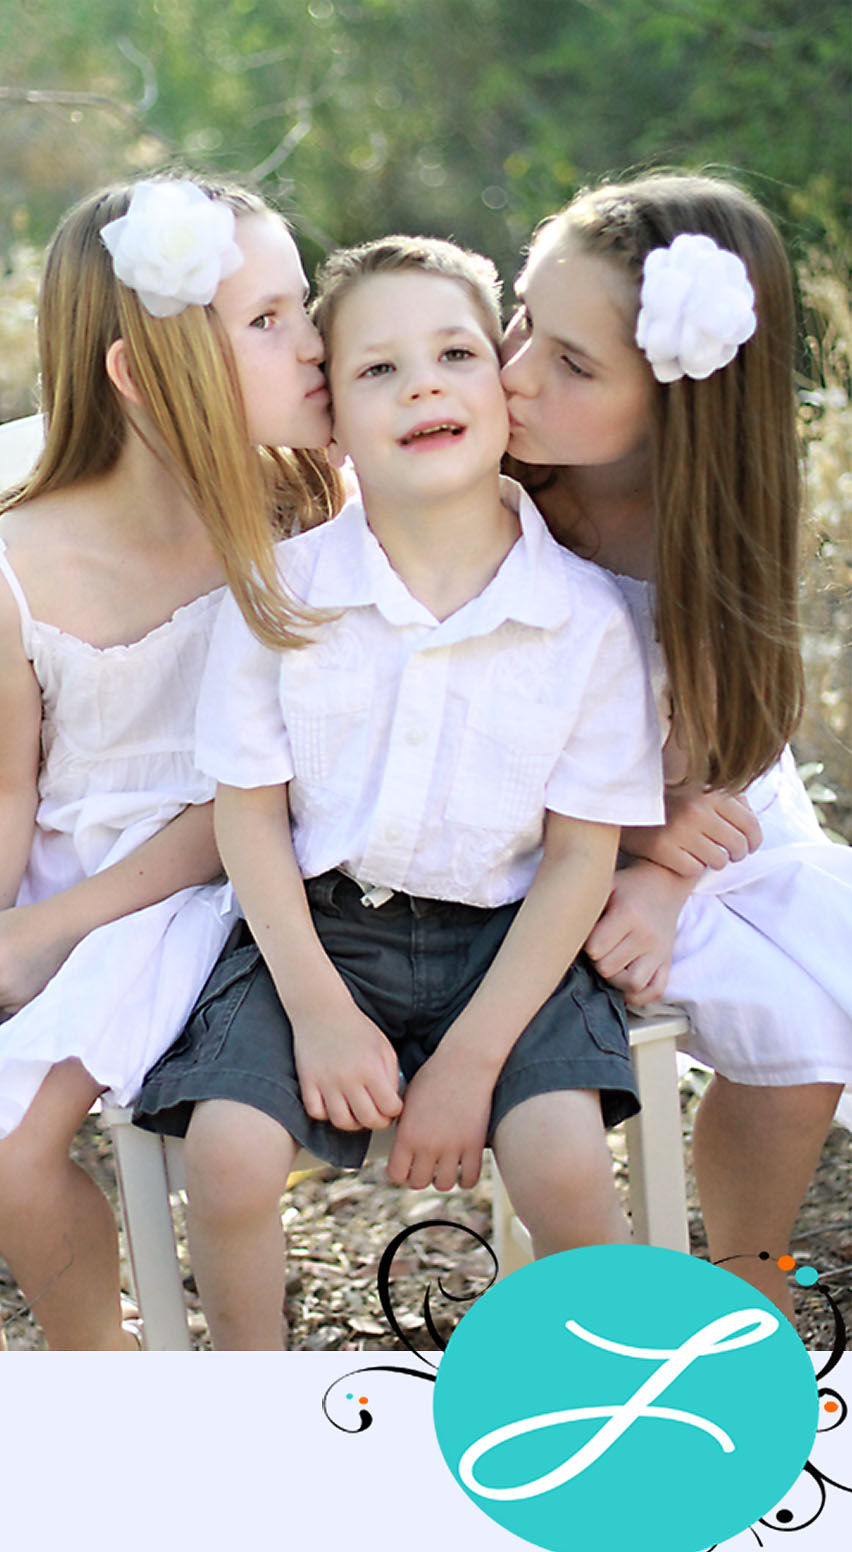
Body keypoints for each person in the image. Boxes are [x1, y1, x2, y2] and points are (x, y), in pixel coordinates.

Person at [132, 234, 665, 1349]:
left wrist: (471, 1061)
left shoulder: (590, 620)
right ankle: (251, 1404)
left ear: (504, 391)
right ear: (332, 420)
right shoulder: (282, 595)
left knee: (564, 1162)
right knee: (227, 1153)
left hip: (514, 939)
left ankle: (619, 1398)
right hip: (320, 931)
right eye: (377, 368)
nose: (421, 382)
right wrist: (320, 1010)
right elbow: (251, 817)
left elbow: (579, 856)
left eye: (455, 352)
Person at [0, 172, 341, 1350]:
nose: (317, 344)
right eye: (268, 322)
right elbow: (0, 781)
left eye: (303, 305)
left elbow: (258, 797)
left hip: (203, 883)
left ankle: (94, 1356)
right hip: (56, 863)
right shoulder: (18, 564)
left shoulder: (312, 521)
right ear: (140, 371)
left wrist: (52, 928)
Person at [501, 170, 852, 1318]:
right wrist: (638, 855)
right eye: (522, 321)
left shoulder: (709, 526)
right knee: (781, 1015)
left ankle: (749, 1281)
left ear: (678, 404)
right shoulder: (484, 485)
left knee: (813, 1030)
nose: (514, 372)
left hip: (709, 802)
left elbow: (730, 741)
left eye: (570, 362)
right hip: (535, 823)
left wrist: (664, 863)